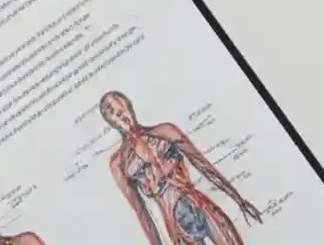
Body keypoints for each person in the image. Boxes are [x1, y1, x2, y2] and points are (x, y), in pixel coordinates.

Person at [99, 91, 263, 245]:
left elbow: (203, 165)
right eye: (113, 113)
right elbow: (141, 212)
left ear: (130, 107)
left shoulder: (165, 132)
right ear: (110, 122)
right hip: (175, 223)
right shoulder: (119, 163)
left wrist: (239, 200)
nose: (120, 116)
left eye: (122, 109)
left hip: (200, 206)